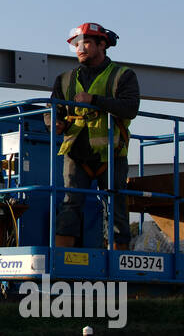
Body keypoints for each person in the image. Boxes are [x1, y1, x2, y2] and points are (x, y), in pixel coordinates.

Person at [45, 22, 140, 249]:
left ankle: (119, 259)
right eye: (76, 44)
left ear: (102, 45)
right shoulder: (65, 79)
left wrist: (94, 100)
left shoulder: (122, 75)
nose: (81, 48)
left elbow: (130, 108)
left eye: (86, 42)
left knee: (116, 205)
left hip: (112, 153)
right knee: (70, 205)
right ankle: (62, 258)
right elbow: (52, 111)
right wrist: (53, 124)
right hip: (76, 153)